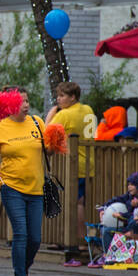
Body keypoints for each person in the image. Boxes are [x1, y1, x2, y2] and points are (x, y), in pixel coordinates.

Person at [0, 87, 47, 276]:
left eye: (27, 100)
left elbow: (49, 149)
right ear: (9, 105)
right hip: (11, 187)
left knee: (35, 239)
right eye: (21, 101)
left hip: (36, 188)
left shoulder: (37, 123)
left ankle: (24, 267)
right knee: (20, 233)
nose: (26, 105)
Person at [46, 81, 95, 266]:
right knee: (81, 201)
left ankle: (78, 241)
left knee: (76, 202)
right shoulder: (88, 109)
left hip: (74, 164)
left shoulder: (65, 114)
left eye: (62, 96)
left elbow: (47, 132)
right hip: (90, 161)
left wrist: (51, 114)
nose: (58, 99)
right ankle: (80, 240)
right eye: (58, 96)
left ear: (72, 97)